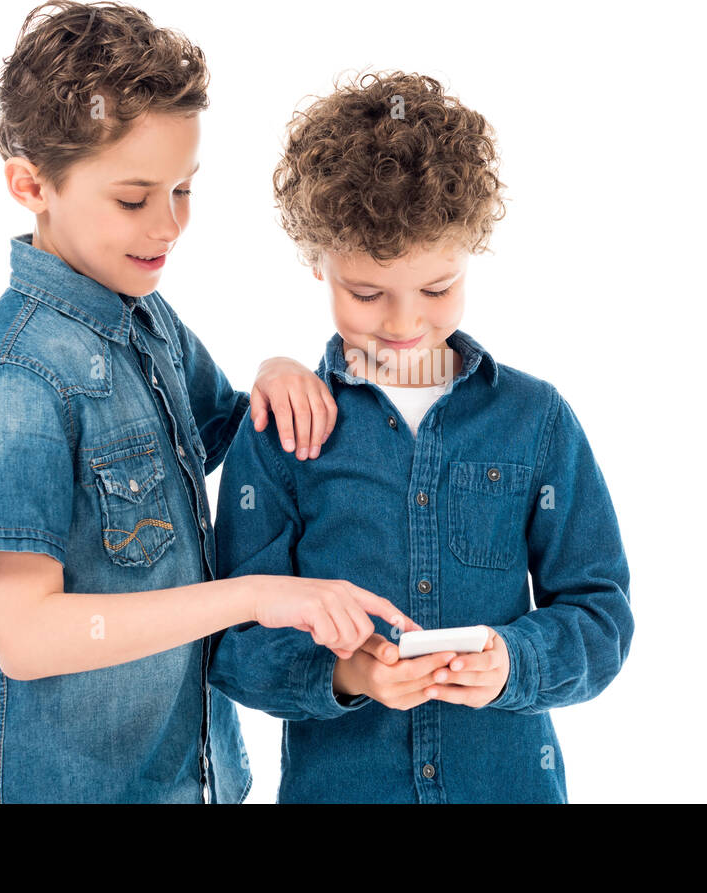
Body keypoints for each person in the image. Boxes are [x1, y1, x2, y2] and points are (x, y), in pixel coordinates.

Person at [0, 0, 417, 804]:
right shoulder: (15, 386)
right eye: (133, 198)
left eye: (184, 189)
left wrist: (276, 368)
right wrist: (257, 596)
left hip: (194, 782)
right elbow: (25, 636)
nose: (169, 224)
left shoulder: (145, 319)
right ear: (31, 185)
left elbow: (221, 428)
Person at [209, 70, 635, 802]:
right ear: (319, 261)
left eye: (437, 289)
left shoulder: (538, 421)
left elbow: (600, 613)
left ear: (472, 253)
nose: (405, 325)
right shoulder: (280, 432)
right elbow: (231, 642)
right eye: (367, 293)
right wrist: (349, 673)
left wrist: (514, 661)